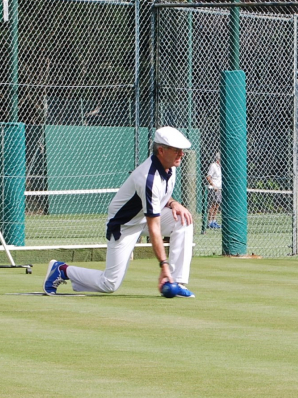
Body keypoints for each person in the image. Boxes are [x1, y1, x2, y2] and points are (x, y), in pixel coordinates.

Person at [43, 126, 195, 297]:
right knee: (109, 283)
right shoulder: (147, 178)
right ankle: (62, 270)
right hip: (125, 225)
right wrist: (163, 265)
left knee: (184, 220)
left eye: (181, 150)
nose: (181, 154)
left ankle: (177, 281)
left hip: (145, 218)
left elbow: (160, 195)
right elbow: (154, 228)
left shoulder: (171, 168)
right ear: (161, 150)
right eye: (176, 151)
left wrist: (174, 202)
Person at [206, 152, 222, 229]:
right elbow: (208, 177)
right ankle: (209, 222)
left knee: (217, 206)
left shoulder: (221, 167)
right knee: (212, 206)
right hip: (213, 189)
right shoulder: (213, 166)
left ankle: (214, 221)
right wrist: (213, 186)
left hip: (219, 188)